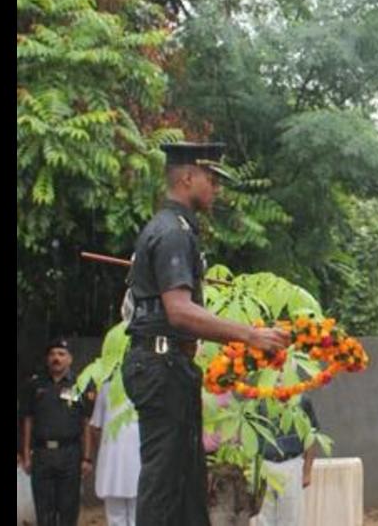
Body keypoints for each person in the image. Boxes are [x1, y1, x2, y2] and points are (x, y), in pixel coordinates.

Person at [123, 141, 290, 526]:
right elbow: (180, 311)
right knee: (166, 484)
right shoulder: (172, 231)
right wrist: (249, 335)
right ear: (187, 177)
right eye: (211, 178)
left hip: (169, 365)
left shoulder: (175, 229)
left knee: (186, 484)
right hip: (161, 365)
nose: (217, 187)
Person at [21, 338, 97, 526]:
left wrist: (87, 458)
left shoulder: (80, 384)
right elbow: (28, 420)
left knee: (68, 510)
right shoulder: (35, 385)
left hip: (70, 454)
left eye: (62, 354)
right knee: (44, 511)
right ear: (47, 359)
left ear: (70, 359)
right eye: (53, 354)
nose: (56, 358)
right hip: (42, 455)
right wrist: (26, 455)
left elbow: (86, 422)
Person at [252, 397, 320, 526]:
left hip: (291, 464)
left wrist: (307, 471)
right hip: (264, 465)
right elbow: (250, 435)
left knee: (291, 518)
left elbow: (311, 436)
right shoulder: (259, 402)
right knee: (263, 517)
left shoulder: (302, 401)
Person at [88, 374, 141, 526]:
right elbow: (96, 426)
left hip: (138, 462)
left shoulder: (148, 387)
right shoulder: (106, 388)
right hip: (112, 464)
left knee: (137, 517)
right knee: (116, 518)